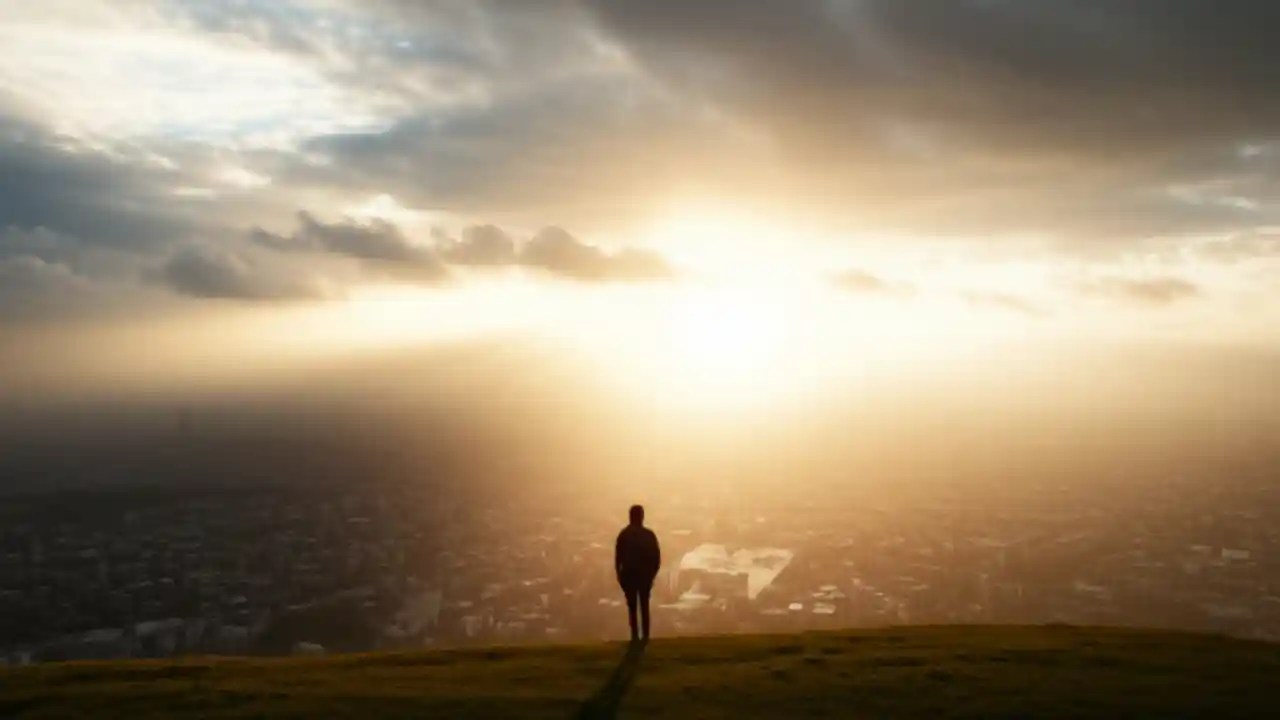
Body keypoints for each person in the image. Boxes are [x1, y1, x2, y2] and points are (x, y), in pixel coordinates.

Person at [615, 504, 661, 642]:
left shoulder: (624, 535)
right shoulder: (648, 535)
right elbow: (656, 558)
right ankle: (645, 636)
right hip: (643, 576)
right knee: (644, 607)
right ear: (642, 517)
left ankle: (635, 636)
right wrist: (651, 575)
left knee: (633, 608)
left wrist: (620, 576)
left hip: (629, 576)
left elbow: (618, 559)